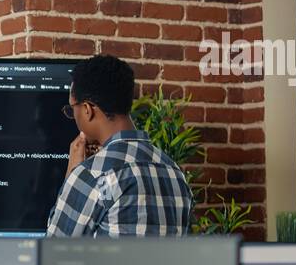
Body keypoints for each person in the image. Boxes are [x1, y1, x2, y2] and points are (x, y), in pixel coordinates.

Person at [47, 54, 194, 237]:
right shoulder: (175, 173)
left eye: (71, 109)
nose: (73, 116)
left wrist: (73, 172)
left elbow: (53, 249)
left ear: (87, 110)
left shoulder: (92, 175)